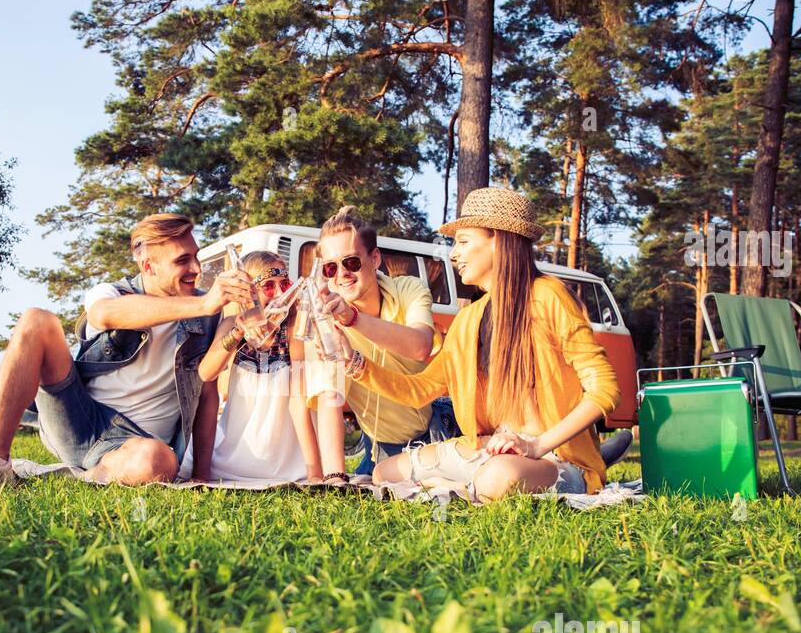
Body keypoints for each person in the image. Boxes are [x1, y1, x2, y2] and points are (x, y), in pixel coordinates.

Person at [0, 213, 251, 486]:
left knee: (158, 461)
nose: (196, 268)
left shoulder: (209, 316)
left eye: (196, 256)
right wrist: (203, 305)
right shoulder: (113, 292)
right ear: (149, 267)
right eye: (183, 260)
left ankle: (74, 477)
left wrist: (203, 476)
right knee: (36, 320)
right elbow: (104, 315)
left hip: (136, 445)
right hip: (79, 418)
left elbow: (207, 390)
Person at [340, 186, 621, 502]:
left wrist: (536, 445)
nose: (453, 254)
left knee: (496, 479)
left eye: (463, 242)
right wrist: (355, 363)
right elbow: (419, 390)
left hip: (553, 456)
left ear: (499, 241)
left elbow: (605, 389)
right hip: (491, 447)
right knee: (384, 473)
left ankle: (577, 472)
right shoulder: (468, 319)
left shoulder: (547, 297)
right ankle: (465, 482)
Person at [312, 206, 454, 476]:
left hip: (436, 429)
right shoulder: (325, 319)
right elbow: (330, 397)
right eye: (331, 267)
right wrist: (334, 477)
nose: (341, 274)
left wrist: (352, 318)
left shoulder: (409, 288)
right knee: (371, 479)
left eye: (351, 262)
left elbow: (421, 346)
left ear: (375, 258)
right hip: (382, 448)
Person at [185, 251, 329, 482]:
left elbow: (298, 401)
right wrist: (239, 332)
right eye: (269, 286)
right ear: (249, 292)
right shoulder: (232, 323)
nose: (280, 293)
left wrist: (314, 473)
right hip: (239, 445)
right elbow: (206, 373)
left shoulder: (293, 327)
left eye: (285, 284)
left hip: (286, 453)